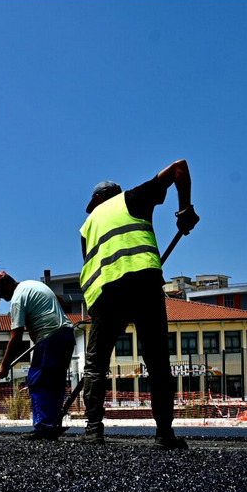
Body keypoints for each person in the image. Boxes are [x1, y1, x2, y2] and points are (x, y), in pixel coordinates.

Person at [77, 162, 200, 449]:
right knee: (157, 363)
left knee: (95, 365)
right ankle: (164, 434)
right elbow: (179, 167)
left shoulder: (87, 226)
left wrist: (100, 312)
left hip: (105, 294)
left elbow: (90, 267)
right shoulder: (133, 198)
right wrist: (184, 210)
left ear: (97, 200)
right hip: (144, 284)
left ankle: (94, 430)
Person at [0, 271, 76, 440]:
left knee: (37, 381)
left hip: (49, 338)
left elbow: (16, 337)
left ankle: (43, 426)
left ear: (7, 283)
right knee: (55, 383)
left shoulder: (17, 298)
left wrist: (4, 366)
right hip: (66, 335)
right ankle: (53, 424)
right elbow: (59, 300)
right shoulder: (33, 285)